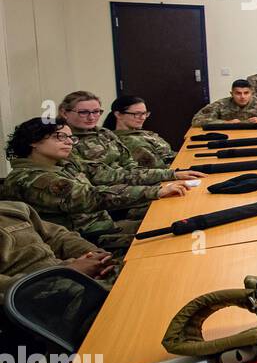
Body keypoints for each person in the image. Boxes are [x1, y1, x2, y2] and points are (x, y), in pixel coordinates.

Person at [1, 119, 191, 251]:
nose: (69, 142)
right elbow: (90, 197)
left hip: (108, 228)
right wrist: (156, 191)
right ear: (33, 142)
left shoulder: (65, 163)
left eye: (70, 138)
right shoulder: (29, 179)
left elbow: (114, 175)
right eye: (59, 137)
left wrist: (170, 174)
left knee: (182, 220)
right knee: (173, 239)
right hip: (88, 242)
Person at [59, 91, 200, 186]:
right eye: (84, 112)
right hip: (115, 196)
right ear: (65, 113)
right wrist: (167, 178)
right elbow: (101, 178)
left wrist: (171, 175)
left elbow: (131, 166)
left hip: (135, 186)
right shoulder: (64, 142)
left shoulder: (104, 133)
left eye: (96, 112)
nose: (92, 117)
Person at [0, 200, 116, 294]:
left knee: (126, 275)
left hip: (73, 276)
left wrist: (94, 255)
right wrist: (62, 272)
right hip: (36, 296)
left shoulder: (12, 209)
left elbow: (57, 237)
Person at [106, 95, 174, 170]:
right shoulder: (126, 141)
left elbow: (168, 155)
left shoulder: (140, 133)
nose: (143, 118)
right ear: (118, 114)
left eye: (145, 113)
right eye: (137, 114)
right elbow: (156, 168)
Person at [191, 79, 257, 126]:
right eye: (238, 93)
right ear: (231, 93)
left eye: (246, 93)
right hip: (228, 139)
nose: (242, 97)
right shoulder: (221, 104)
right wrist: (225, 122)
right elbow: (197, 120)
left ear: (251, 93)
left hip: (256, 138)